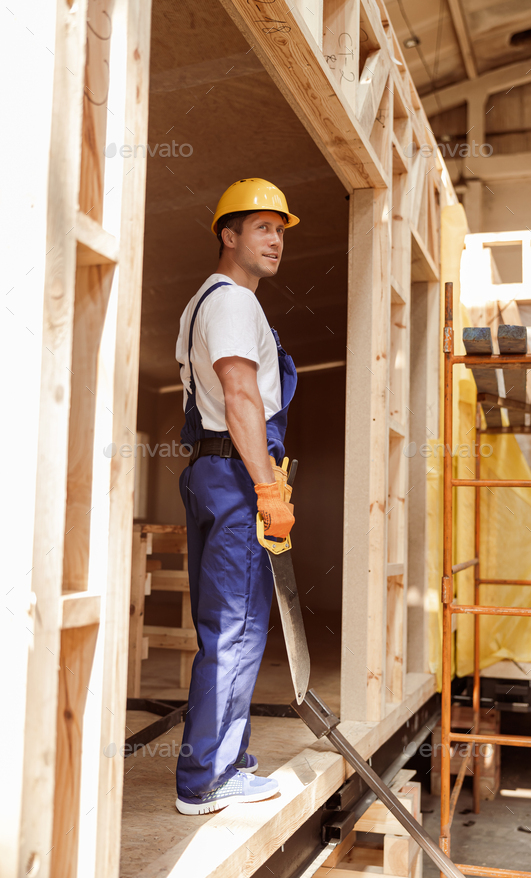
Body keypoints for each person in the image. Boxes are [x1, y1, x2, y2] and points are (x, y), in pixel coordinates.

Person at [174, 178, 299, 814]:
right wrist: (267, 486)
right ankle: (208, 780)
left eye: (280, 230)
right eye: (261, 228)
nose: (275, 240)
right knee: (237, 627)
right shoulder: (232, 304)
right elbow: (241, 395)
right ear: (229, 235)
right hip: (232, 473)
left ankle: (226, 754)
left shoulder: (207, 301)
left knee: (223, 625)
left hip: (211, 468)